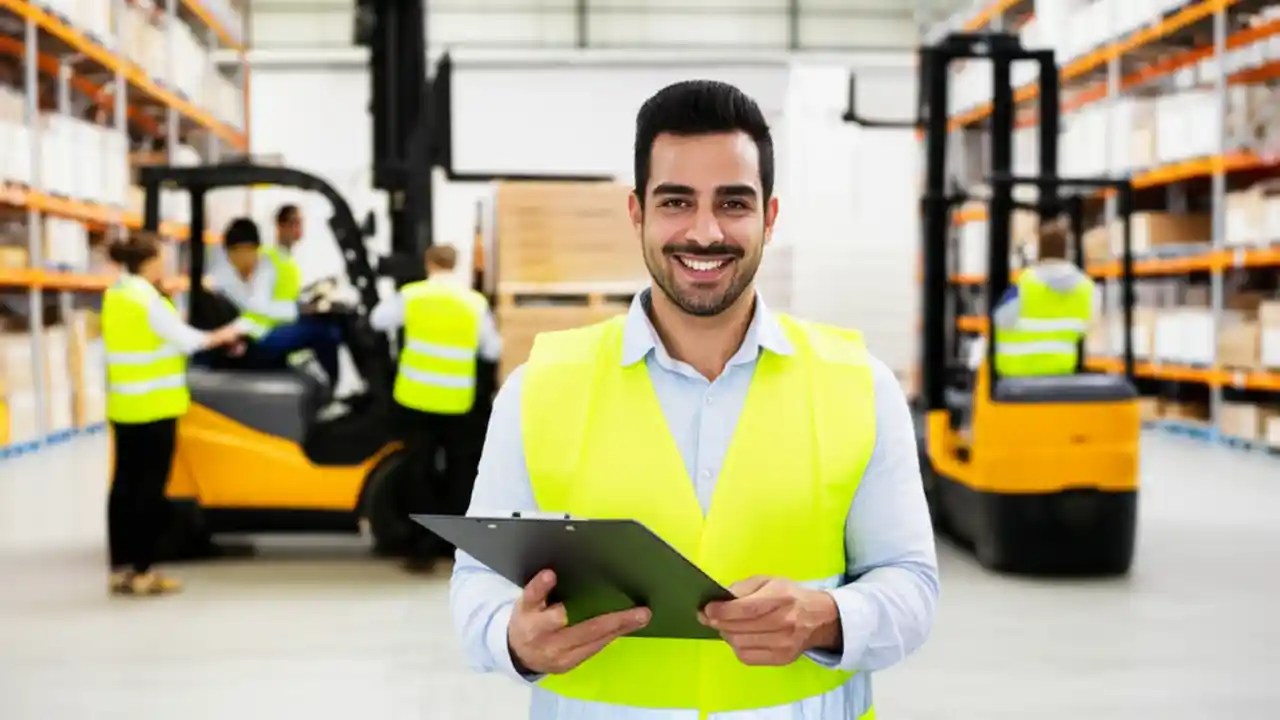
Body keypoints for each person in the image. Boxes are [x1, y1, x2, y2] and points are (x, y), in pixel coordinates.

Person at [448, 80, 938, 719]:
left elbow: (912, 585)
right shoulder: (539, 388)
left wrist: (828, 617)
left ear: (769, 216)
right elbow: (477, 584)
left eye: (732, 203)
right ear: (637, 214)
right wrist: (510, 639)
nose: (704, 233)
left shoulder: (859, 385)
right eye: (676, 201)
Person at [104, 232, 243, 596]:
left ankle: (120, 570)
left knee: (123, 488)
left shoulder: (117, 294)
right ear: (148, 261)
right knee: (149, 490)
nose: (164, 264)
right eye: (161, 258)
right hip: (154, 408)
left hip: (125, 406)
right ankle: (144, 571)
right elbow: (188, 340)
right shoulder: (147, 299)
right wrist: (230, 332)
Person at [370, 244, 502, 569]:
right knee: (460, 473)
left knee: (419, 471)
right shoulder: (474, 302)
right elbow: (492, 348)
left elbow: (376, 321)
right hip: (458, 401)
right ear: (456, 265)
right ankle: (454, 547)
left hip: (417, 399)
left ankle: (421, 548)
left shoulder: (413, 295)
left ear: (428, 263)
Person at [211, 214, 343, 387]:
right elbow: (258, 306)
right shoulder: (223, 280)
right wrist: (301, 309)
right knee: (321, 333)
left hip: (261, 331)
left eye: (254, 251)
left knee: (328, 325)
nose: (254, 257)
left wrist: (306, 305)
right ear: (233, 251)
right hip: (254, 338)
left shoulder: (257, 269)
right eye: (248, 251)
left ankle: (332, 385)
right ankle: (336, 388)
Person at [984, 220, 1099, 377]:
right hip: (1061, 374)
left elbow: (999, 319)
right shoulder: (1086, 287)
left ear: (1039, 250)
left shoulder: (1024, 283)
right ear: (1067, 251)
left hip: (1016, 377)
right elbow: (1090, 328)